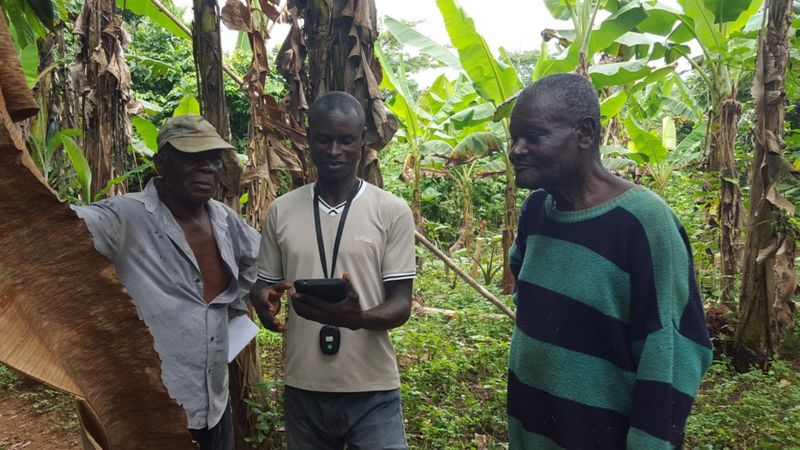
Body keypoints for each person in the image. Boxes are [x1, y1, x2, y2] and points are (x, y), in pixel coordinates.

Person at [505, 73, 713, 450]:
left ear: (585, 133)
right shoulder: (536, 209)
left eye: (533, 137)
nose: (516, 150)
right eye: (513, 138)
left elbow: (672, 351)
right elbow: (527, 288)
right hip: (532, 431)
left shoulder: (644, 223)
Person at [73, 115, 260, 450]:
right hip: (151, 410)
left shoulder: (225, 219)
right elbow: (60, 227)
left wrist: (245, 300)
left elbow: (257, 258)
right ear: (161, 162)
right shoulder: (123, 217)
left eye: (213, 159)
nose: (207, 168)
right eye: (192, 157)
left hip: (214, 403)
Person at [250, 91, 415, 449]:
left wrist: (358, 318)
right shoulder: (281, 210)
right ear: (309, 141)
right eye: (324, 139)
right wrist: (263, 300)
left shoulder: (392, 210)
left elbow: (401, 303)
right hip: (303, 386)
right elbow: (264, 283)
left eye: (346, 140)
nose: (334, 150)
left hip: (373, 387)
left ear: (362, 142)